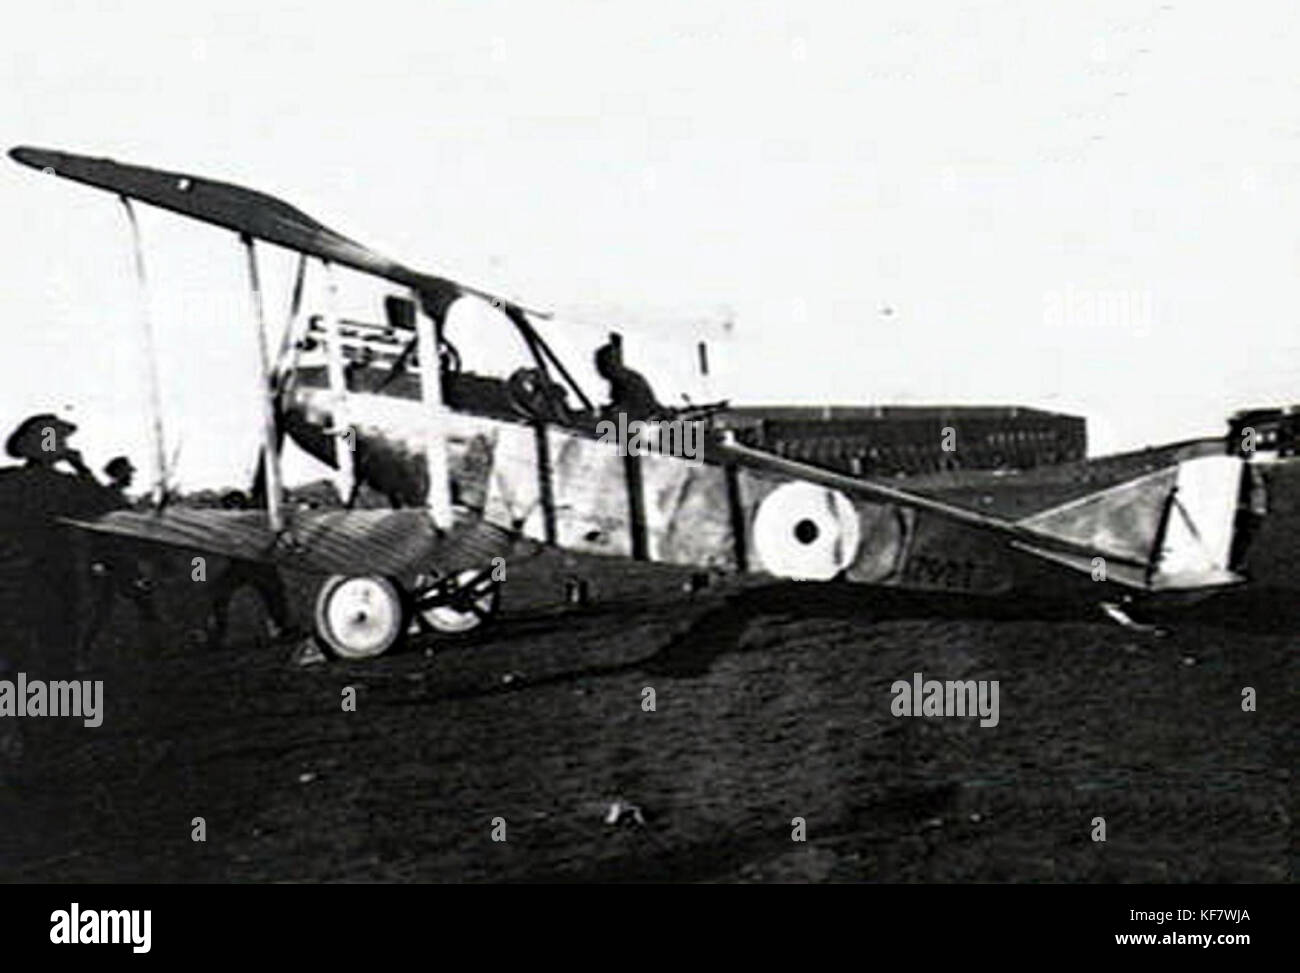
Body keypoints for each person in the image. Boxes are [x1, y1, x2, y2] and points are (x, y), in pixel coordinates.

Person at [0, 414, 121, 665]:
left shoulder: (7, 479)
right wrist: (81, 467)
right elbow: (109, 506)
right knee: (57, 648)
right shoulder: (66, 484)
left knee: (16, 653)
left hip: (15, 575)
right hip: (57, 575)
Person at [204, 490, 296, 647]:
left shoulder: (255, 519)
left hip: (259, 564)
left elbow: (273, 537)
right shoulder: (222, 524)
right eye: (231, 507)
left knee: (274, 594)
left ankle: (280, 627)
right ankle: (215, 634)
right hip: (239, 565)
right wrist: (198, 575)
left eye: (237, 506)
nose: (235, 510)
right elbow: (199, 555)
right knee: (217, 595)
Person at [594, 337, 664, 420]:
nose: (599, 369)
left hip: (641, 420)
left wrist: (607, 413)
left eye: (601, 365)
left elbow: (632, 408)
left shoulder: (625, 379)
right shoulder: (621, 377)